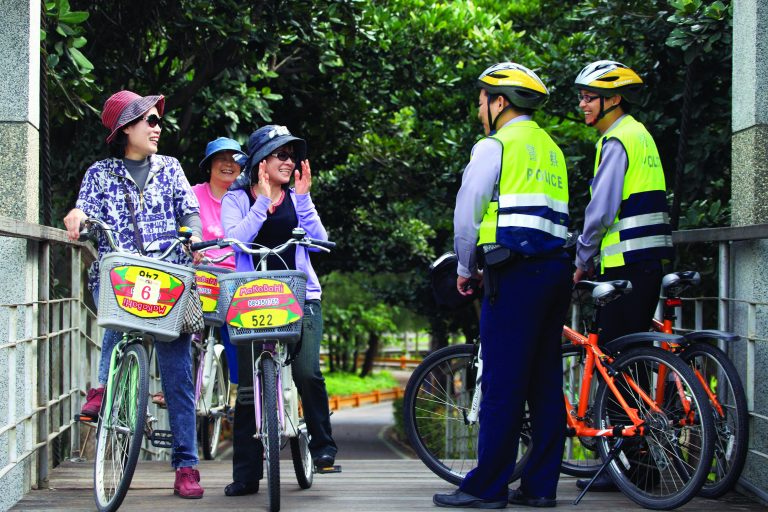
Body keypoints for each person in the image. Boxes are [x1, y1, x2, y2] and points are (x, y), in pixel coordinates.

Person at [433, 63, 571, 509]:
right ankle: (540, 488)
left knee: (501, 383)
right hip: (555, 273)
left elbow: (467, 209)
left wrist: (465, 264)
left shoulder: (496, 145)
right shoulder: (551, 149)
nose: (479, 110)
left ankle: (486, 487)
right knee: (545, 383)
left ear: (500, 102)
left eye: (482, 101)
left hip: (513, 275)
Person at [63, 90, 205, 499]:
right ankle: (104, 389)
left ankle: (186, 466)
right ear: (126, 128)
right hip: (122, 280)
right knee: (116, 315)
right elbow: (82, 211)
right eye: (150, 121)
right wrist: (76, 217)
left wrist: (194, 233)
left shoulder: (172, 168)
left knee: (177, 379)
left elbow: (189, 209)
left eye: (158, 121)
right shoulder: (99, 174)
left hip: (168, 279)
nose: (158, 127)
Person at [572, 60, 673, 491]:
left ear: (614, 99)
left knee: (616, 365)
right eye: (581, 96)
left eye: (590, 97)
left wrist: (582, 256)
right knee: (633, 363)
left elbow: (601, 210)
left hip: (626, 264)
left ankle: (626, 468)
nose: (583, 104)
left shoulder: (615, 140)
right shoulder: (641, 134)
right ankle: (641, 465)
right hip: (648, 260)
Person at [220, 124, 337, 496]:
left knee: (307, 372)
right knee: (245, 392)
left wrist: (302, 199)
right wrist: (261, 203)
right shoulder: (237, 200)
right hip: (251, 300)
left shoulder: (296, 197)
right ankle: (246, 475)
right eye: (281, 155)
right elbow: (233, 240)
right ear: (260, 163)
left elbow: (319, 244)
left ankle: (323, 447)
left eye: (293, 156)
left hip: (301, 299)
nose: (290, 162)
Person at [191, 137, 248, 390]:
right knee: (183, 328)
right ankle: (176, 383)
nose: (228, 164)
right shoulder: (193, 195)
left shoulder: (245, 199)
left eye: (234, 160)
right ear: (209, 165)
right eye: (221, 159)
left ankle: (240, 389)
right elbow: (182, 227)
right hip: (200, 277)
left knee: (237, 331)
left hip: (234, 279)